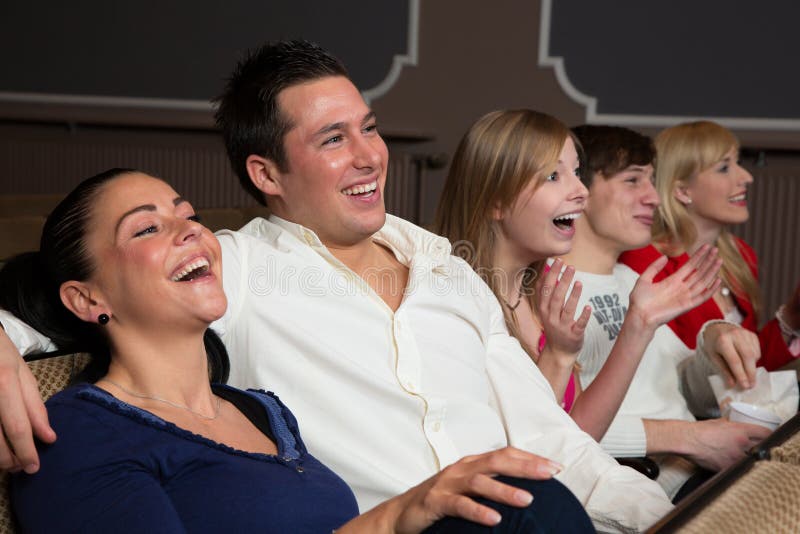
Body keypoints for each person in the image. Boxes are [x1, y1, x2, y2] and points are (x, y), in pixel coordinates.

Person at [0, 40, 672, 531]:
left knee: (535, 494)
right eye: (332, 139)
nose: (369, 155)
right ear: (267, 175)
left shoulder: (446, 266)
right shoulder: (230, 269)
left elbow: (548, 437)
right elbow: (61, 294)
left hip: (526, 517)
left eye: (369, 128)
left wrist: (671, 518)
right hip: (411, 524)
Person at [4, 168, 593, 532]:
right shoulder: (76, 435)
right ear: (86, 298)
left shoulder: (261, 411)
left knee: (516, 498)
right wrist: (394, 518)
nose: (188, 230)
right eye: (146, 228)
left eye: (189, 215)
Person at [435, 111, 720, 444]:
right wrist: (559, 355)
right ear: (496, 201)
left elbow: (580, 436)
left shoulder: (541, 295)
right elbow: (520, 450)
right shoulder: (455, 303)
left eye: (577, 173)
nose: (581, 191)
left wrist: (639, 324)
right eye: (554, 176)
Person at [562, 125, 772, 501]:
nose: (654, 198)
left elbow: (695, 396)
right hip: (649, 485)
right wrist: (690, 438)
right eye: (632, 181)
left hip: (698, 471)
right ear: (581, 191)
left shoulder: (631, 278)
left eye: (652, 181)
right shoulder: (549, 289)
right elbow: (555, 429)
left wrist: (715, 338)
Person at [620, 121, 800, 378]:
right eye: (725, 167)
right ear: (682, 190)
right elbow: (659, 375)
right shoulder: (646, 261)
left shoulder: (740, 256)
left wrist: (792, 317)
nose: (746, 177)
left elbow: (747, 368)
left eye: (738, 163)